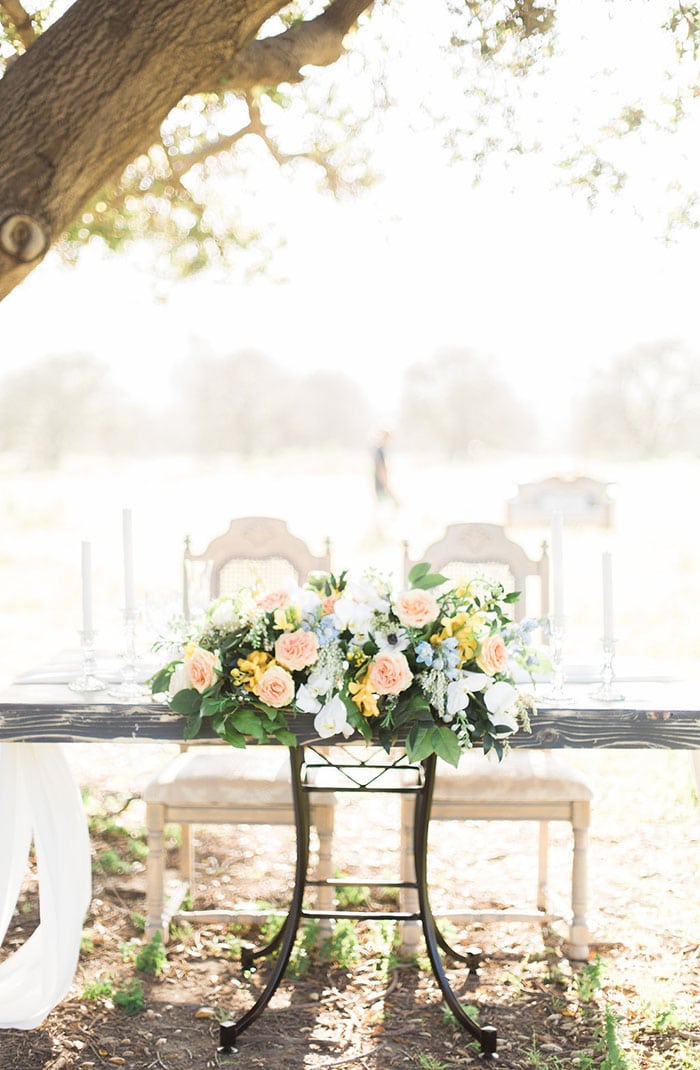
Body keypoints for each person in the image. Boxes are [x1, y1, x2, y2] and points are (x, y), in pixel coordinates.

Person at [372, 429, 399, 508]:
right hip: (381, 481)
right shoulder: (379, 451)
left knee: (381, 504)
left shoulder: (380, 450)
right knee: (386, 503)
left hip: (381, 480)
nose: (388, 441)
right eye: (387, 438)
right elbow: (380, 467)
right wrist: (385, 482)